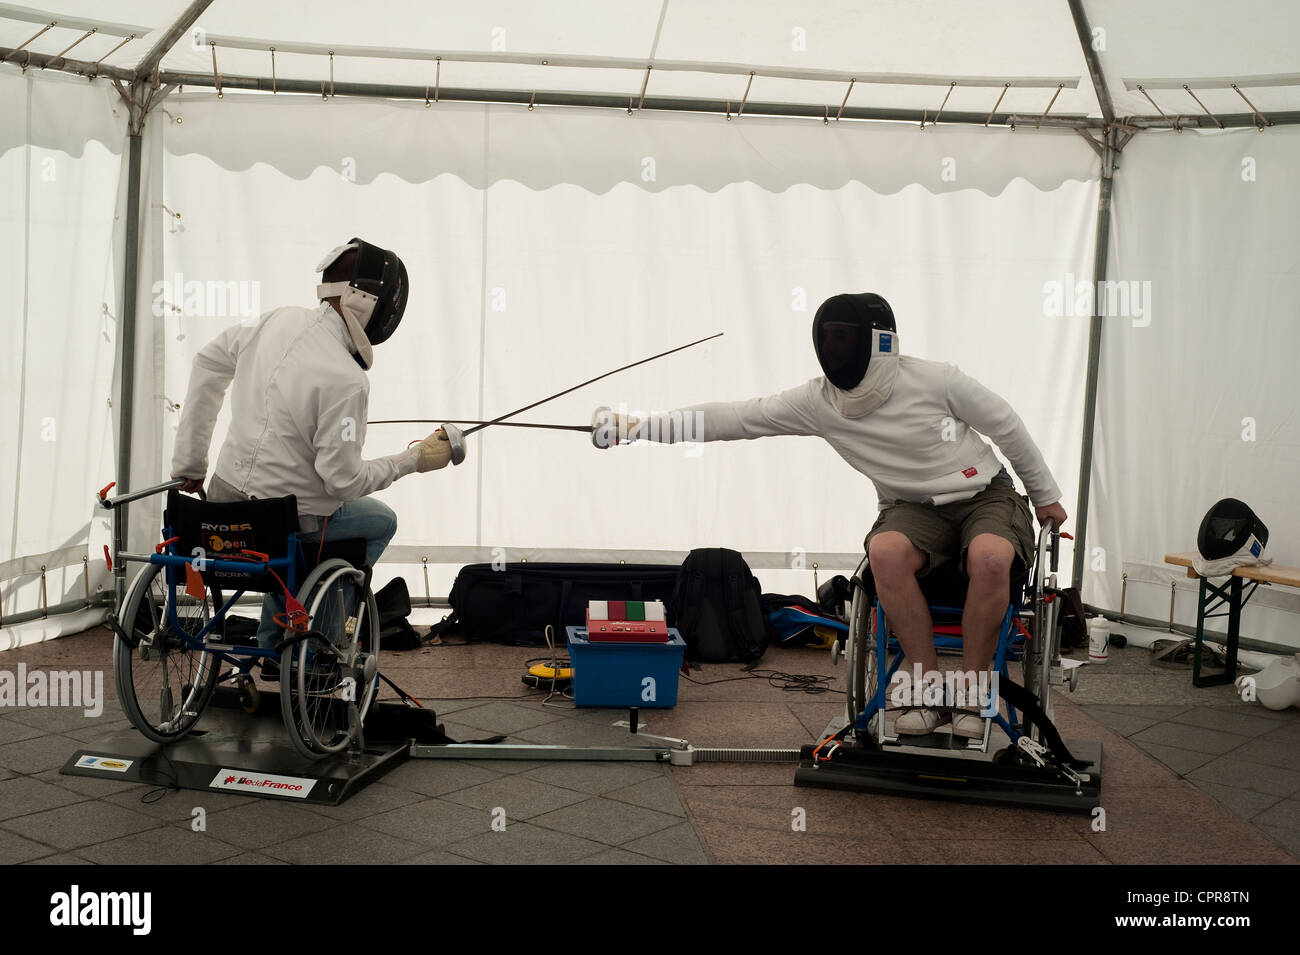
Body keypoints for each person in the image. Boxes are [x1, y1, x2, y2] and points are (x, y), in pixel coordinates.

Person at [595, 292, 1067, 738]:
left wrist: (1043, 494)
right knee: (884, 552)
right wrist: (632, 428)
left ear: (876, 341)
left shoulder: (936, 380)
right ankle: (923, 684)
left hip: (984, 494)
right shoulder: (819, 402)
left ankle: (972, 688)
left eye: (843, 336)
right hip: (910, 508)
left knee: (989, 558)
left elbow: (1005, 424)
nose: (832, 347)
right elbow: (733, 419)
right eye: (826, 336)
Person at [170, 238, 456, 665]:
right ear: (363, 303)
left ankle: (274, 638)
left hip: (222, 508)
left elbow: (208, 363)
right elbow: (343, 482)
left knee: (297, 534)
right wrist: (410, 461)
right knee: (378, 522)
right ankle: (317, 647)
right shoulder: (347, 379)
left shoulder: (274, 321)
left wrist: (190, 463)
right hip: (285, 523)